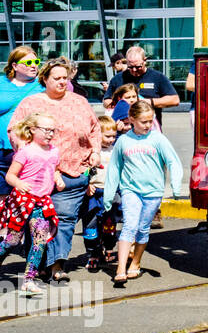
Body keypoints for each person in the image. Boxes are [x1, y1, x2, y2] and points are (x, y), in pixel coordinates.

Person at [9, 58, 101, 281]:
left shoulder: (79, 102)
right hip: (38, 176)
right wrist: (24, 148)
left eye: (65, 78)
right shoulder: (31, 103)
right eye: (57, 78)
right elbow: (14, 130)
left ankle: (57, 266)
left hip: (73, 172)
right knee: (37, 223)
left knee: (65, 220)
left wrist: (96, 151)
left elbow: (94, 128)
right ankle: (38, 264)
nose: (62, 82)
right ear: (45, 79)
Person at [103, 101, 184, 287]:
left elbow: (173, 161)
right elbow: (114, 169)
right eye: (143, 121)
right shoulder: (123, 141)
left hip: (153, 192)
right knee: (129, 226)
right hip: (130, 190)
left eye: (150, 121)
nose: (148, 125)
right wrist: (108, 195)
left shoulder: (158, 139)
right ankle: (120, 269)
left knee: (142, 228)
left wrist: (176, 185)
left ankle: (136, 261)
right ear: (132, 119)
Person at [1, 114, 65, 297]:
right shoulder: (26, 151)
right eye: (46, 130)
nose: (50, 133)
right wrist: (19, 184)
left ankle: (28, 280)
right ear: (32, 130)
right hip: (22, 202)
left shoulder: (54, 151)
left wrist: (57, 178)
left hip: (42, 202)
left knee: (39, 241)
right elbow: (10, 176)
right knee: (12, 240)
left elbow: (54, 170)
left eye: (53, 130)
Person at [0, 46, 44, 196]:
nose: (34, 65)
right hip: (1, 148)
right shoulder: (2, 83)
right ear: (15, 65)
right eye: (28, 62)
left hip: (27, 148)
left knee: (24, 193)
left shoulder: (41, 86)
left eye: (36, 61)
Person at [81, 115, 119, 274]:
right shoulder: (90, 152)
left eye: (113, 136)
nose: (111, 139)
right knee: (90, 225)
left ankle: (109, 247)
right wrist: (87, 184)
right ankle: (93, 254)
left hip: (111, 192)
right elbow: (83, 170)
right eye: (107, 136)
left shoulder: (116, 150)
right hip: (94, 192)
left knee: (109, 223)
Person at [105, 47, 179, 126]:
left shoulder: (157, 77)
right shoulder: (118, 79)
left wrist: (147, 102)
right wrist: (123, 104)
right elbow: (106, 100)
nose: (134, 70)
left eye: (138, 67)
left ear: (145, 61)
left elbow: (174, 100)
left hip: (149, 128)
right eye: (130, 67)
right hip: (124, 129)